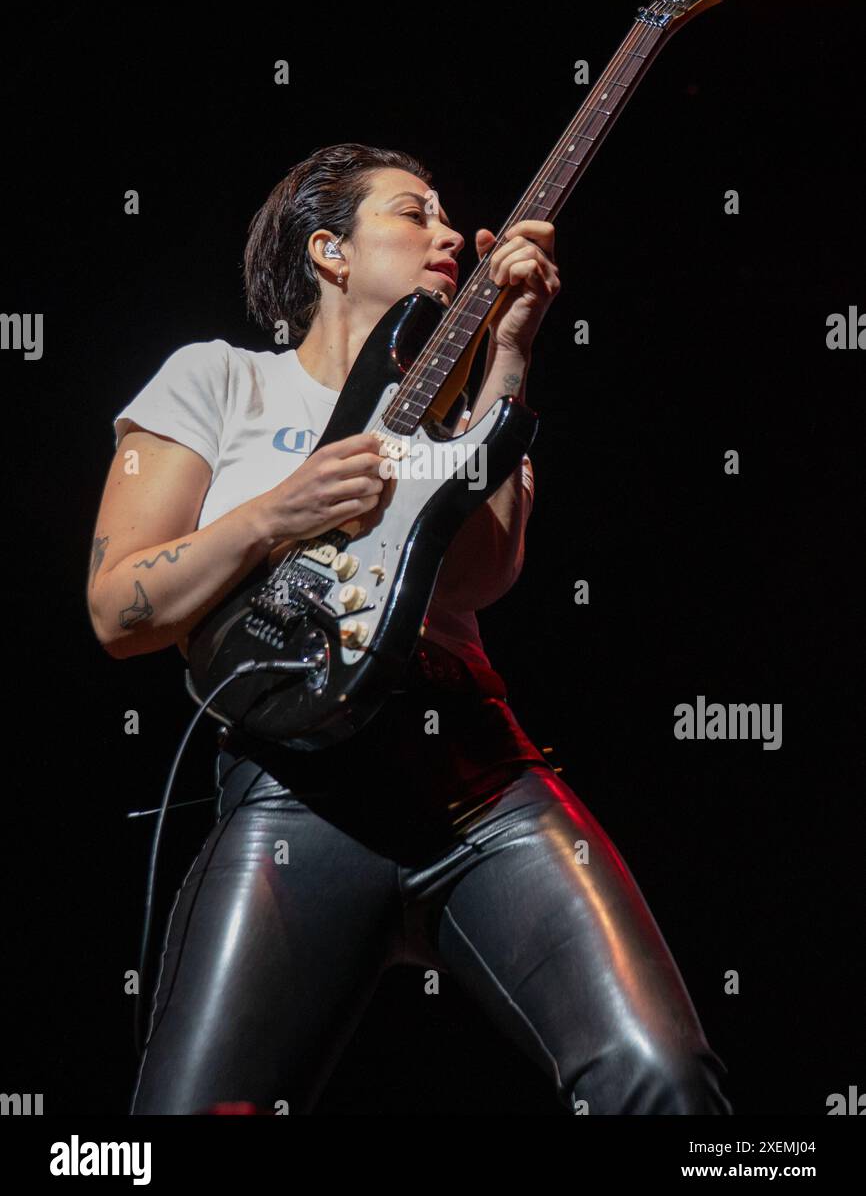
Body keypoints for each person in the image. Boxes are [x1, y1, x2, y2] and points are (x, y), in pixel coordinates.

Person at [87, 142, 733, 1116]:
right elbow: (116, 607)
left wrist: (508, 352)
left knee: (660, 1075)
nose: (447, 236)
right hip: (294, 790)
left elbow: (484, 573)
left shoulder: (478, 415)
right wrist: (274, 511)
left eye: (446, 218)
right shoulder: (216, 379)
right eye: (411, 212)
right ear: (327, 251)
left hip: (476, 780)